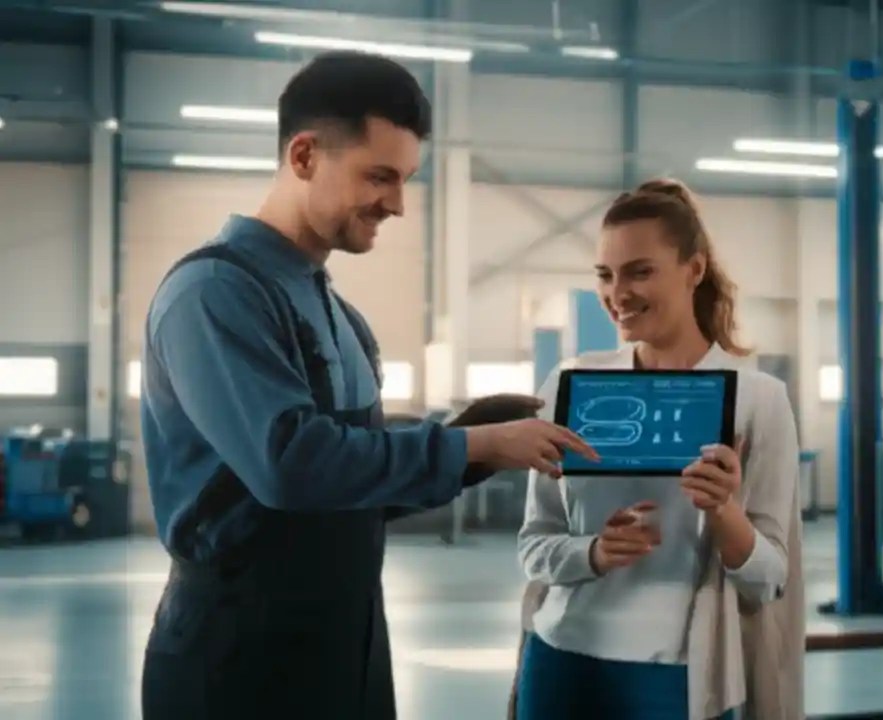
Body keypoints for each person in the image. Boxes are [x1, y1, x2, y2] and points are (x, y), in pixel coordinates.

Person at [138, 51, 596, 719]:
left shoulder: (332, 308)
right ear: (303, 156)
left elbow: (355, 470)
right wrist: (474, 447)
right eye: (380, 176)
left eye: (406, 179)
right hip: (237, 657)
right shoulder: (214, 293)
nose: (399, 205)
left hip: (342, 643)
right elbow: (291, 465)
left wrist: (467, 439)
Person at [512, 179, 806, 720]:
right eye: (606, 274)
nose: (617, 293)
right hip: (559, 661)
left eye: (640, 271)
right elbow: (534, 545)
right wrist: (595, 552)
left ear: (694, 270)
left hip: (675, 676)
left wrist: (723, 510)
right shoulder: (573, 385)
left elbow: (769, 579)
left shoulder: (757, 400)